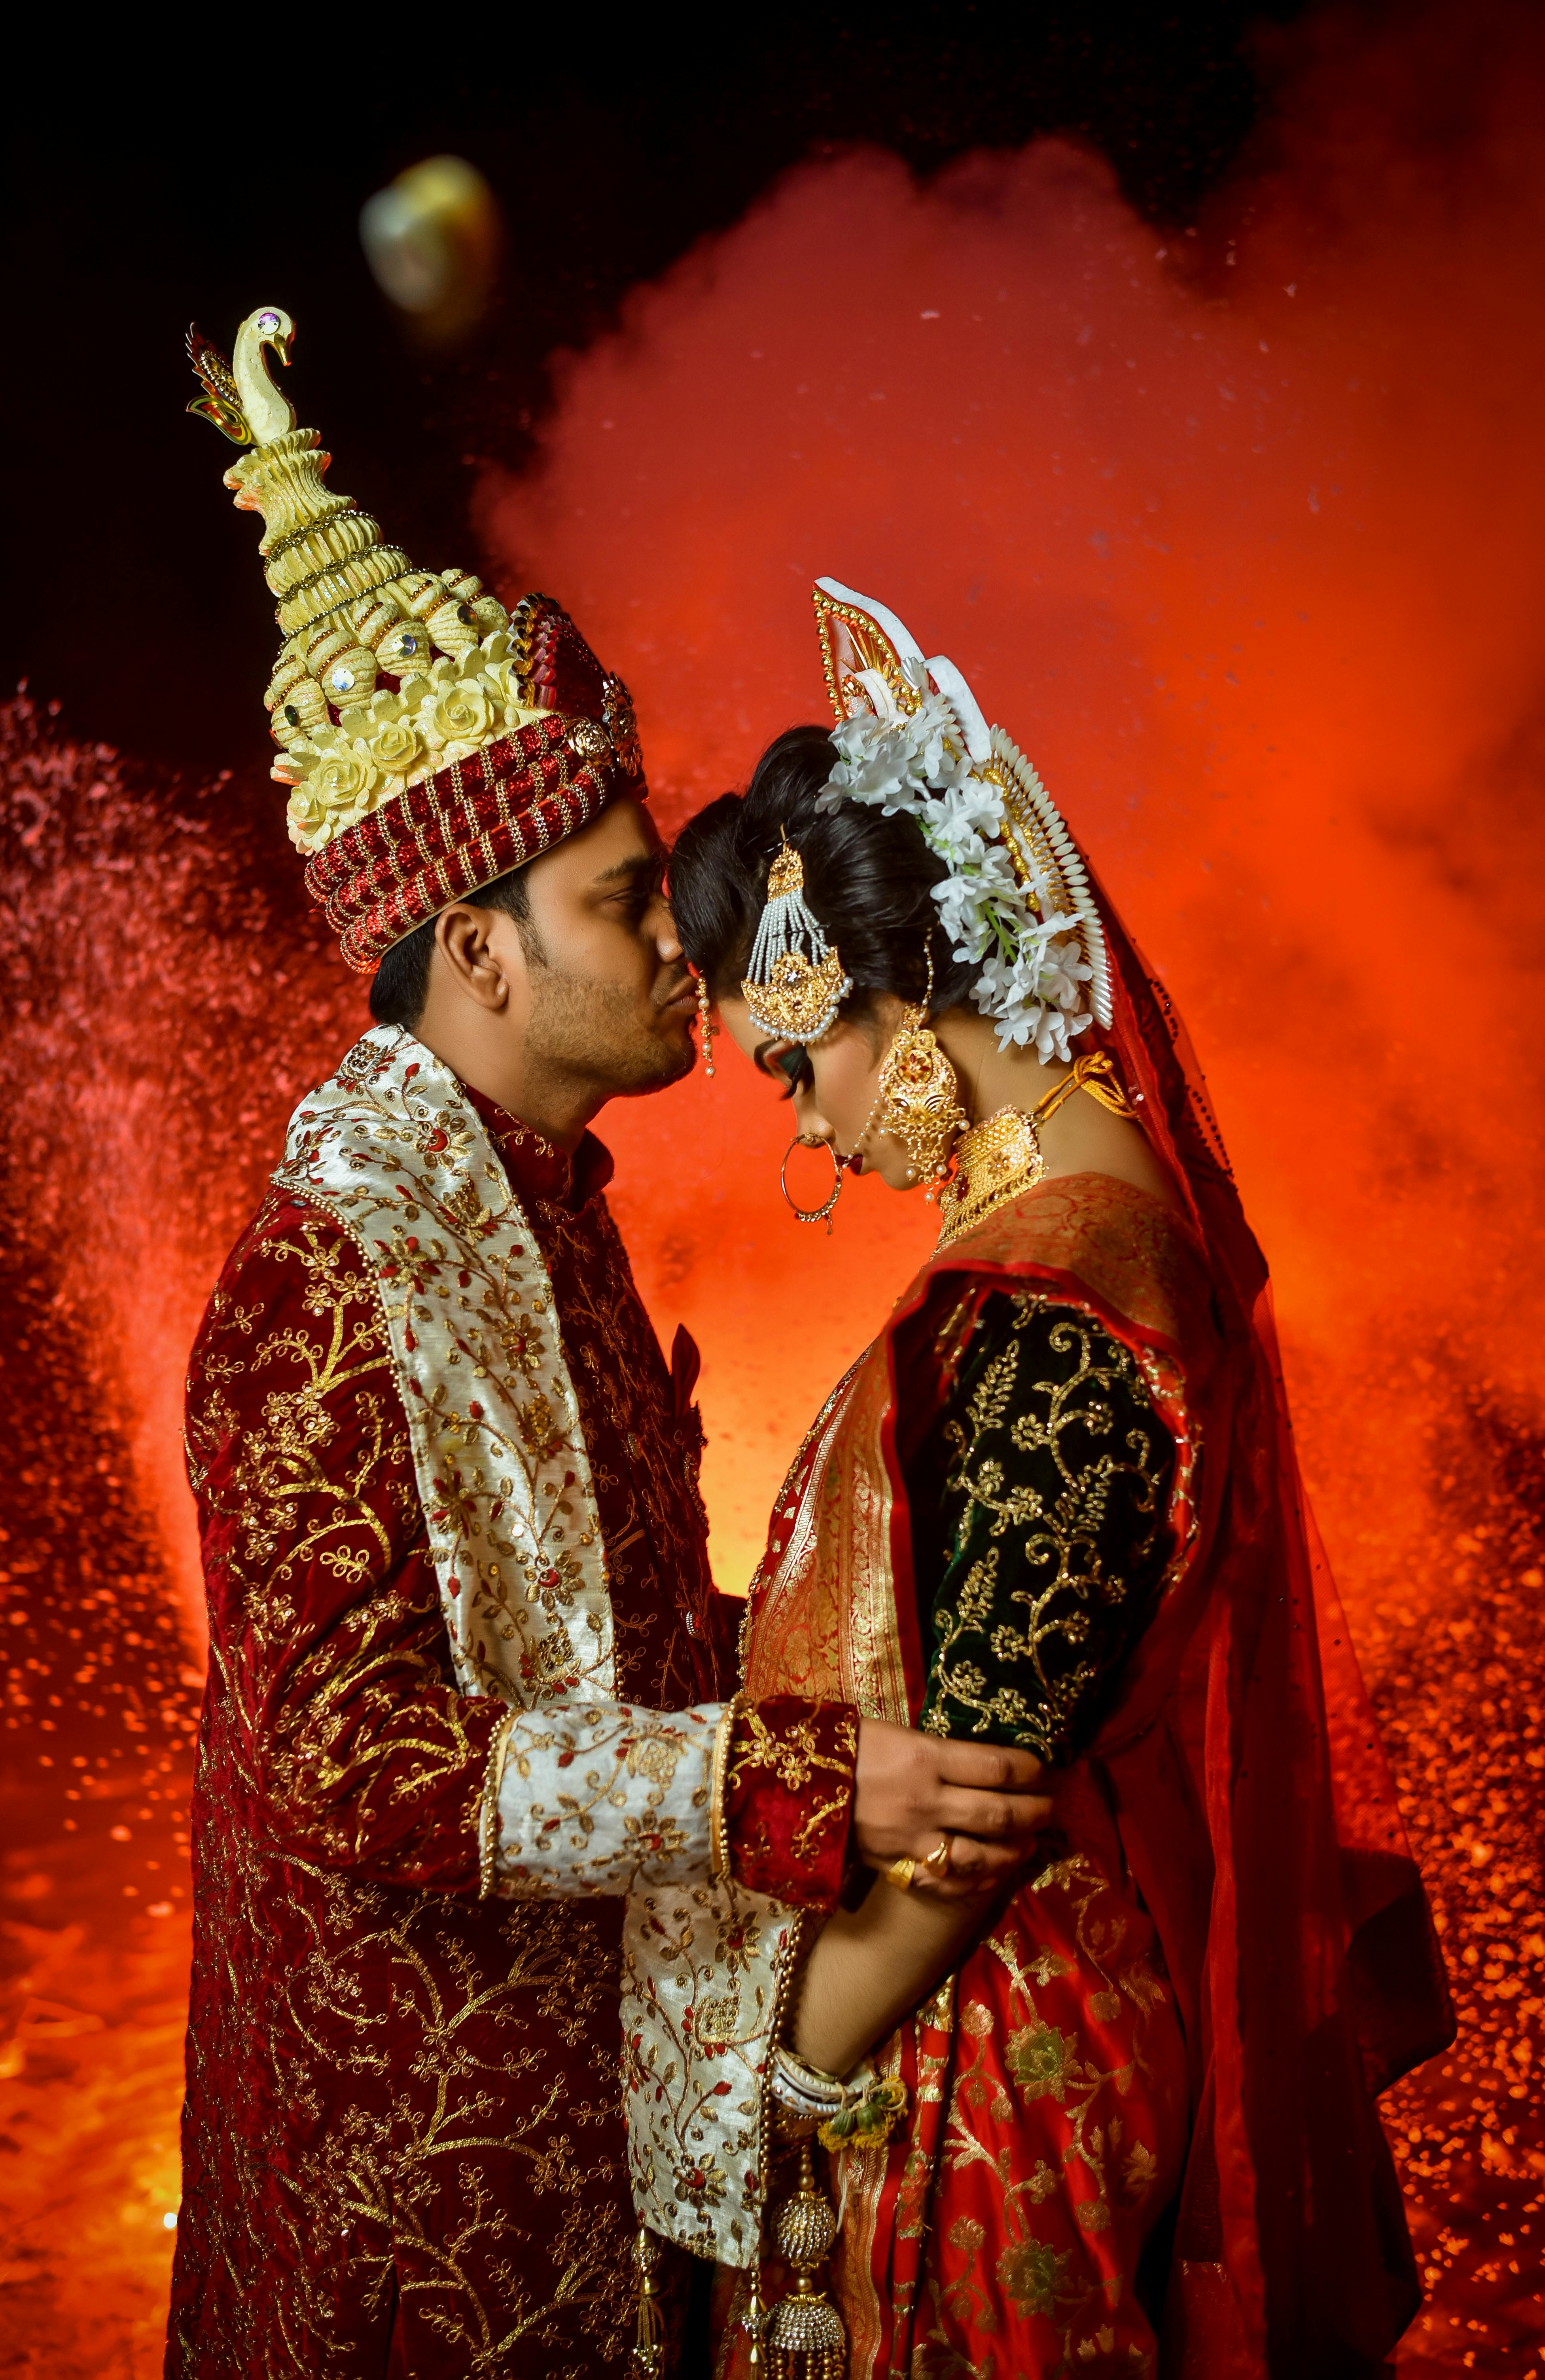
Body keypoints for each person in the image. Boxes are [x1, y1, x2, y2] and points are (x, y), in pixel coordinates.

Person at [169, 327, 1048, 2378]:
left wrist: (874, 1671)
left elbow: (630, 1654)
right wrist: (782, 1781)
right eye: (629, 899)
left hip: (608, 2105)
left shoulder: (552, 1207)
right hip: (427, 2195)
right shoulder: (325, 1283)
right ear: (479, 949)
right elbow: (343, 1759)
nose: (690, 949)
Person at [657, 580, 1454, 2376]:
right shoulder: (1070, 1238)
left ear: (901, 991)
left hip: (988, 2048)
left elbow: (978, 1792)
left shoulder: (1061, 1293)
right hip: (1003, 2004)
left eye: (799, 1060)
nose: (801, 1121)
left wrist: (779, 2071)